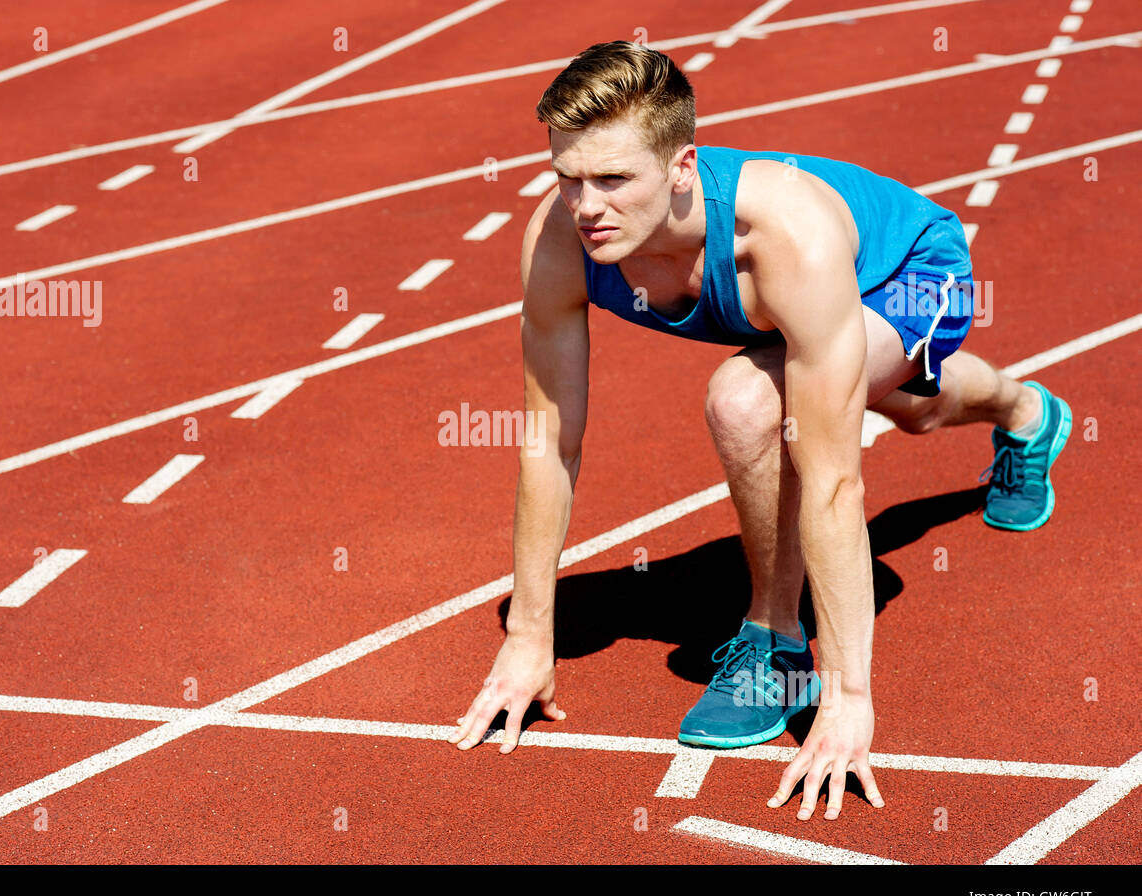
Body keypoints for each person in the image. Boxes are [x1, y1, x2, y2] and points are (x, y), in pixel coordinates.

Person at [447, 41, 1071, 822]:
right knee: (911, 405)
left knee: (759, 400)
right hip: (786, 304)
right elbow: (550, 439)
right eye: (567, 177)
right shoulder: (562, 241)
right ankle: (1028, 414)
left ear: (682, 167)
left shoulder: (781, 234)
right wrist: (530, 636)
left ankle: (778, 640)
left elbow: (837, 481)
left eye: (612, 179)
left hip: (907, 265)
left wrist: (848, 696)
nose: (586, 206)